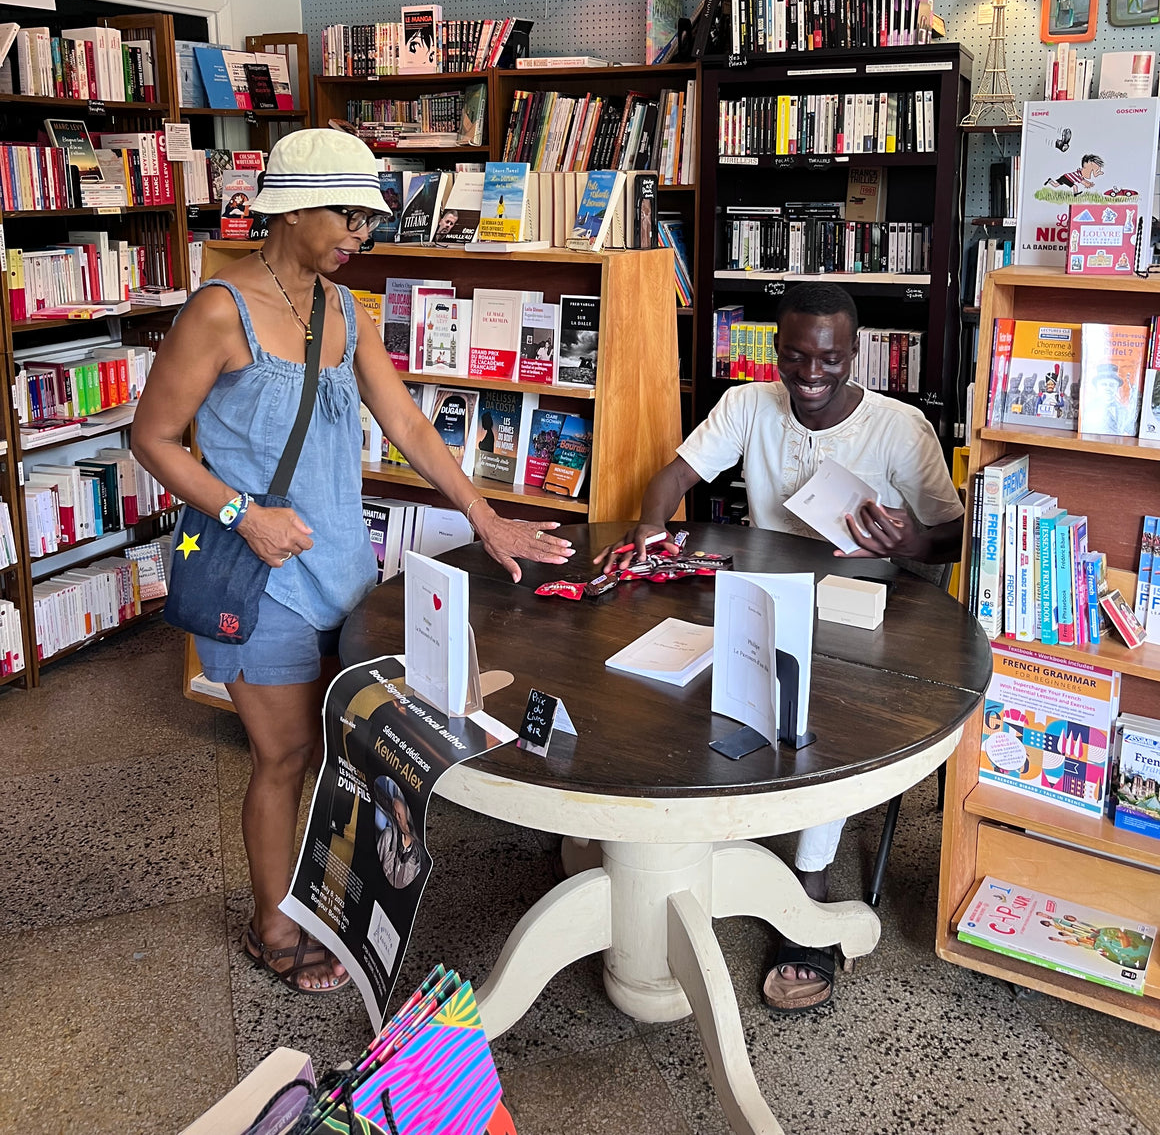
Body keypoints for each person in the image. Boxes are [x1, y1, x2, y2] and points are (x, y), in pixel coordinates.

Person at [132, 129, 573, 994]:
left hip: (344, 567)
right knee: (285, 754)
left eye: (367, 218)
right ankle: (270, 924)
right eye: (347, 214)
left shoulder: (344, 310)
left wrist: (488, 519)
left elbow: (408, 425)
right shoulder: (219, 309)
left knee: (349, 747)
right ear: (291, 208)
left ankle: (331, 895)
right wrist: (243, 513)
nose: (359, 234)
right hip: (261, 578)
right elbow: (149, 438)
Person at [598, 282, 963, 1013]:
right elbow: (674, 476)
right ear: (776, 351)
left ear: (853, 352)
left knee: (821, 707)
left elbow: (953, 535)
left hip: (861, 617)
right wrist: (649, 527)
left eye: (828, 358)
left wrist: (910, 539)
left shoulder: (900, 427)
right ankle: (673, 837)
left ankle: (810, 887)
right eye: (795, 357)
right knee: (659, 662)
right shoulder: (747, 404)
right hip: (759, 596)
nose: (811, 374)